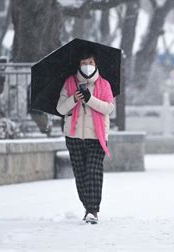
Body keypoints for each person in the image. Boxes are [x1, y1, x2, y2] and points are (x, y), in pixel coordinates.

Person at [56, 48, 114, 224]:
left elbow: (108, 108)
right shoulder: (69, 83)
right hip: (73, 137)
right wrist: (74, 98)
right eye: (84, 63)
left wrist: (89, 99)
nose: (87, 66)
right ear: (78, 65)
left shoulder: (104, 85)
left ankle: (92, 210)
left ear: (96, 65)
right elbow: (60, 109)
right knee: (81, 175)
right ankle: (87, 206)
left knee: (94, 172)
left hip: (96, 136)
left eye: (90, 63)